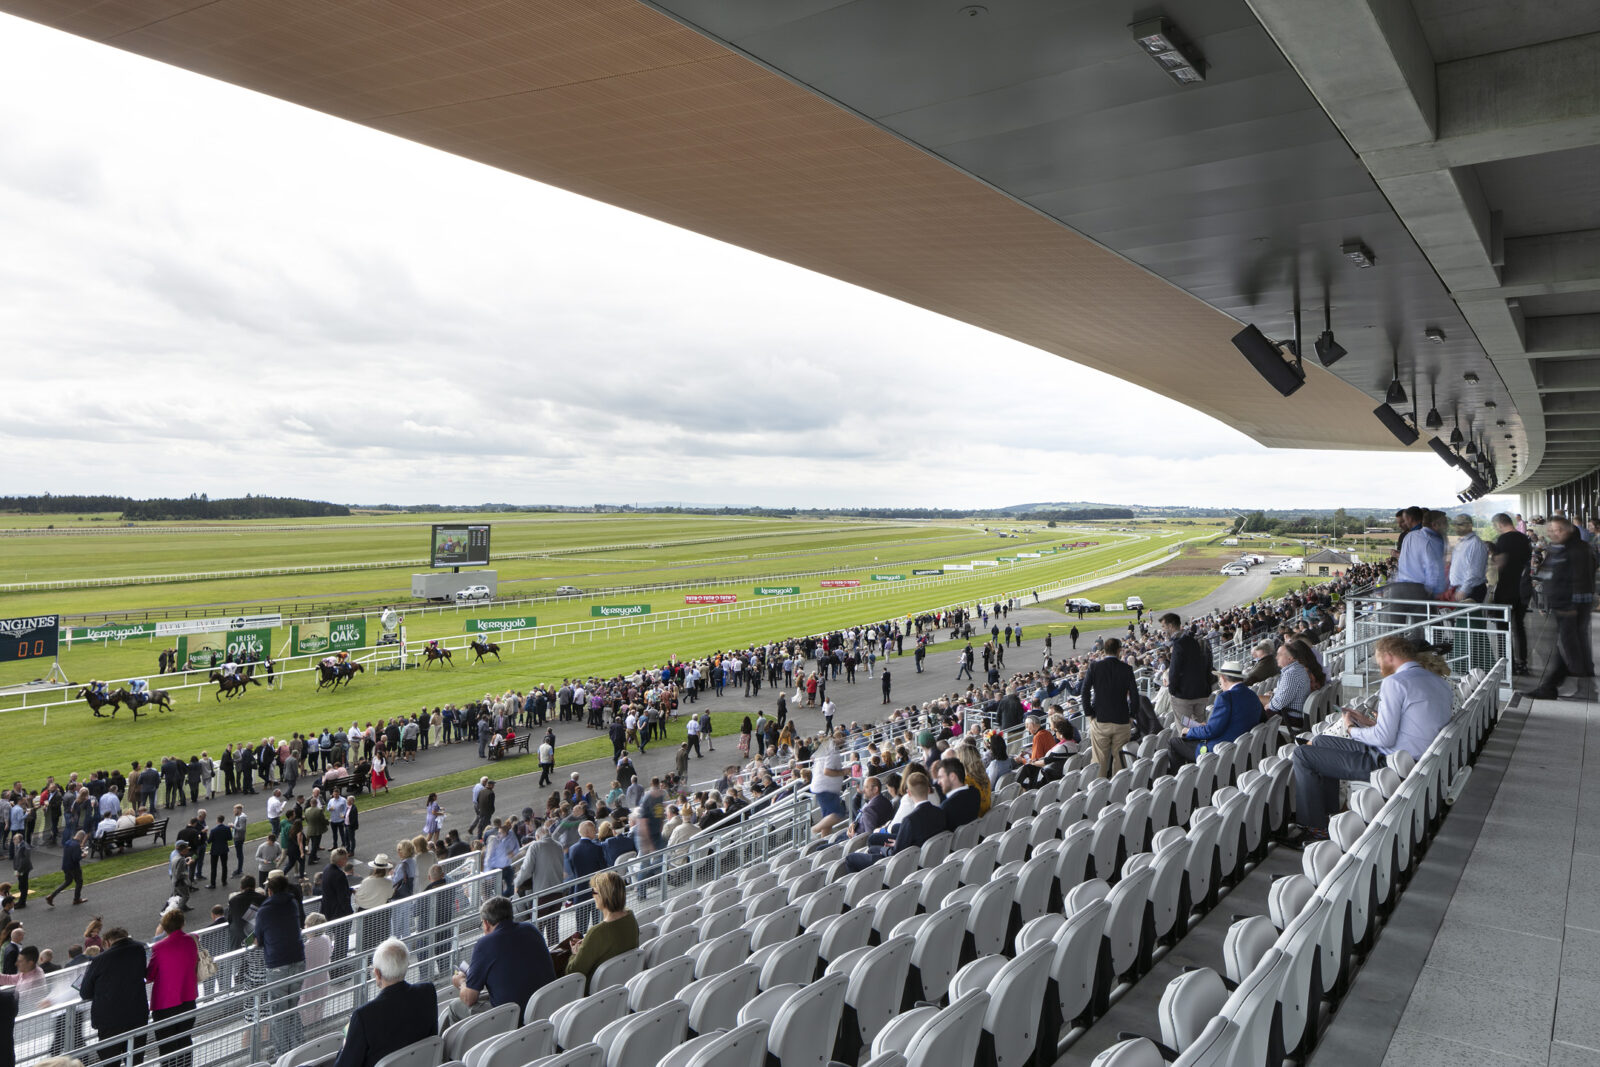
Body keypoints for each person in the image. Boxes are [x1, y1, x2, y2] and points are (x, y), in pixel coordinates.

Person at [1289, 635, 1452, 842]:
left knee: (1303, 754)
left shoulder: (1395, 682)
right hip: (1411, 756)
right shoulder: (1437, 681)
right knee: (1321, 741)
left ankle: (1315, 828)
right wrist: (1366, 723)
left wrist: (1351, 729)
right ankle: (1329, 812)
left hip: (1391, 762)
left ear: (1389, 656)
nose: (1378, 665)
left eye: (1379, 660)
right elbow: (1410, 727)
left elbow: (1384, 737)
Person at [331, 937, 438, 1067]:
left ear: (377, 973)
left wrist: (345, 1046)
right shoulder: (428, 992)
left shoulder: (363, 1016)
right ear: (407, 966)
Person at [450, 895, 555, 1017]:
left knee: (455, 1006)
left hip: (512, 1017)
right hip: (545, 1007)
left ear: (486, 923)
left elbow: (469, 999)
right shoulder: (531, 929)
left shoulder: (484, 944)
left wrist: (461, 982)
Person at [1529, 516, 1597, 701]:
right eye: (1550, 530)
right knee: (1570, 647)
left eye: (1557, 530)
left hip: (1571, 606)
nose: (1553, 533)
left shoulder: (1578, 549)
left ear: (1568, 529)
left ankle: (1581, 689)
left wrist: (1570, 605)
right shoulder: (1560, 548)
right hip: (1563, 604)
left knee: (1571, 648)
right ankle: (1553, 686)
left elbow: (1580, 578)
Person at [843, 771, 943, 872]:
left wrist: (884, 849)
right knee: (872, 848)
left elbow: (896, 852)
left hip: (899, 864)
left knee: (850, 858)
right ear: (928, 789)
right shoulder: (939, 812)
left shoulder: (909, 820)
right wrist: (899, 842)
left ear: (908, 793)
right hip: (924, 856)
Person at [77, 926, 150, 1063]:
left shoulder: (99, 960)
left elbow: (85, 992)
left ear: (108, 942)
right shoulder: (139, 949)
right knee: (135, 1060)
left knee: (110, 1061)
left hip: (109, 1021)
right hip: (137, 1016)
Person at [1169, 660, 1262, 765]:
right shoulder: (1252, 695)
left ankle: (1181, 778)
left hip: (1219, 749)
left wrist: (1189, 731)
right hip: (1240, 746)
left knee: (1174, 742)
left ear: (1222, 677)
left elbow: (1211, 731)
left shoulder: (1225, 697)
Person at [561, 872, 639, 992]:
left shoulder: (597, 933)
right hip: (624, 987)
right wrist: (587, 945)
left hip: (596, 994)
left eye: (594, 892)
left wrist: (575, 953)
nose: (592, 896)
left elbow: (572, 972)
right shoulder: (630, 917)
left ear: (604, 896)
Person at [146, 908, 199, 1067]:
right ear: (182, 924)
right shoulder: (192, 940)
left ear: (164, 927)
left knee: (167, 1046)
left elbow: (149, 976)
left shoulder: (158, 948)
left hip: (165, 1005)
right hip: (188, 1000)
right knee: (184, 1040)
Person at [1083, 638, 1139, 777]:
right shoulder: (1126, 669)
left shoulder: (1095, 667)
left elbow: (1084, 691)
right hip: (1121, 720)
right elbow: (1134, 695)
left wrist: (1089, 713)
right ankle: (1118, 792)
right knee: (1120, 760)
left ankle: (1098, 793)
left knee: (1099, 760)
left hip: (1100, 720)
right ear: (1119, 650)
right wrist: (1132, 715)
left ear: (1104, 651)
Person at [1490, 512, 1533, 673]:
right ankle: (1522, 662)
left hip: (1505, 589)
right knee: (1519, 627)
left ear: (1500, 524)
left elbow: (1499, 565)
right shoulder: (1523, 538)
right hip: (1521, 589)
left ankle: (1505, 662)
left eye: (1495, 526)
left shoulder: (1502, 540)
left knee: (1503, 627)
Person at [1161, 615, 1213, 727]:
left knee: (1185, 730)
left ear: (1170, 626)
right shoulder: (1195, 640)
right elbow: (1208, 664)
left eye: (1163, 626)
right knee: (1201, 727)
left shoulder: (1179, 644)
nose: (1163, 630)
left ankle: (1192, 745)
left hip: (1184, 696)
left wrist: (1172, 690)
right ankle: (1202, 745)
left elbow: (1174, 670)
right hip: (1201, 691)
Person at [1260, 640, 1324, 730]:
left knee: (1257, 714)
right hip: (1294, 715)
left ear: (1290, 658)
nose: (1276, 657)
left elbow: (1280, 703)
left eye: (1279, 654)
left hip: (1290, 718)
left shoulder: (1291, 674)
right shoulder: (1297, 669)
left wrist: (1269, 706)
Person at [809, 728, 849, 837]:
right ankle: (814, 830)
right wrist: (844, 771)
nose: (844, 740)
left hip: (826, 788)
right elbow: (827, 771)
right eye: (842, 737)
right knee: (838, 814)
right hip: (826, 789)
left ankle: (824, 842)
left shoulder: (827, 748)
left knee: (828, 819)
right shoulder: (832, 751)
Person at [1447, 515, 1489, 603]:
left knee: (1468, 617)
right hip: (1459, 590)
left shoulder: (1475, 544)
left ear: (1470, 525)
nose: (1456, 527)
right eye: (1455, 524)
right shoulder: (1461, 542)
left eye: (1460, 524)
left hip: (1470, 591)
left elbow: (1475, 571)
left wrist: (1464, 590)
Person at [44, 831, 86, 907]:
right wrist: (83, 855)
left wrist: (79, 849)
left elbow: (71, 852)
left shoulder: (68, 842)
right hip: (74, 867)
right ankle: (76, 899)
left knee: (68, 881)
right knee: (79, 881)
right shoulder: (76, 845)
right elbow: (76, 858)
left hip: (66, 866)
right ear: (81, 838)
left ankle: (51, 896)